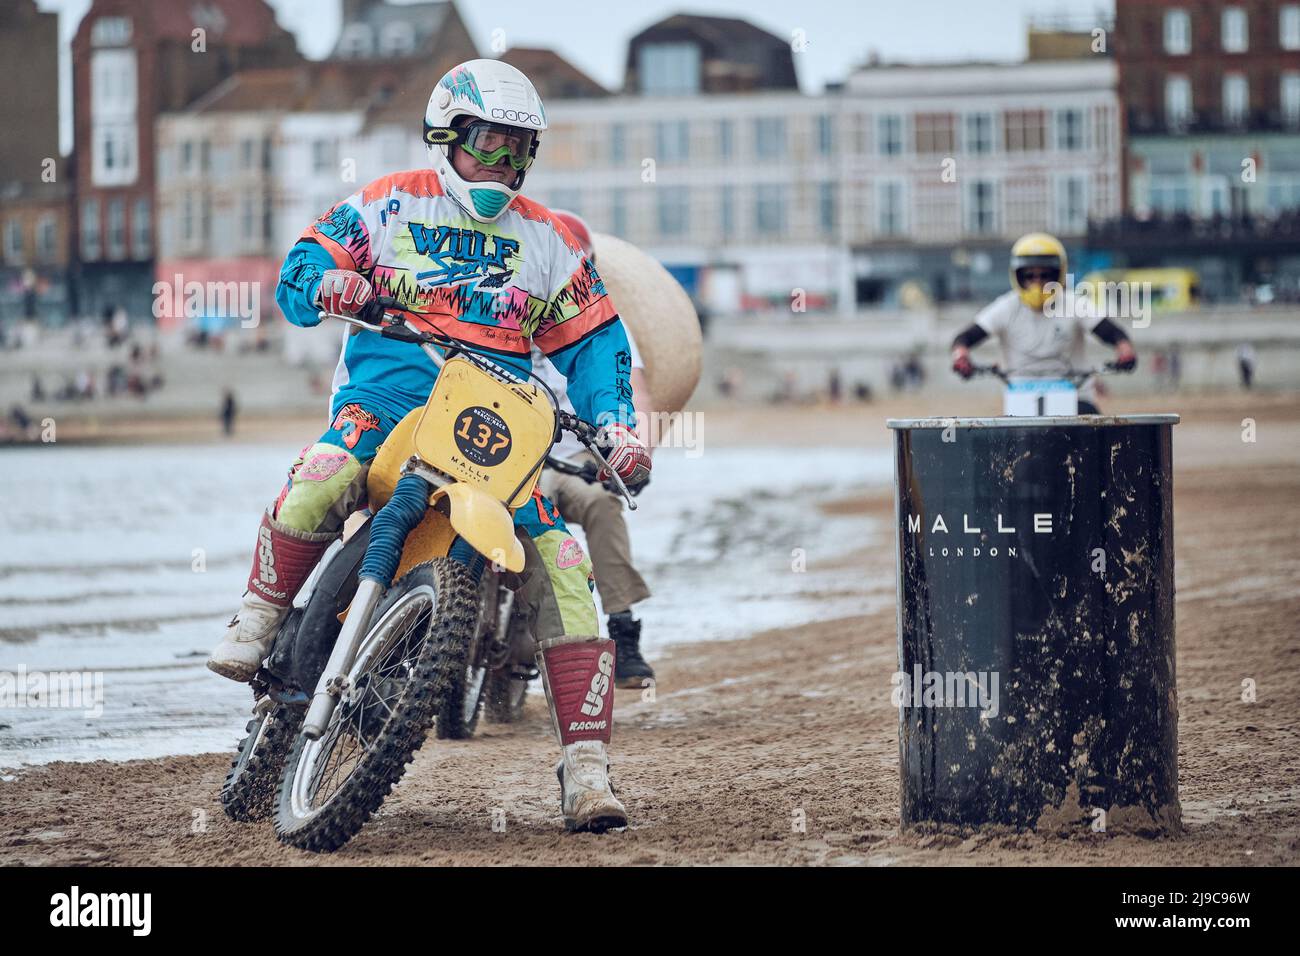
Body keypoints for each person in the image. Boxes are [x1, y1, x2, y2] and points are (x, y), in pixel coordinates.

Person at [205, 59, 650, 833]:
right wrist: (330, 285)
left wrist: (617, 427)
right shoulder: (384, 204)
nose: (502, 165)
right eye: (488, 144)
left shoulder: (554, 239)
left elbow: (598, 344)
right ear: (447, 134)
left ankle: (587, 770)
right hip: (386, 403)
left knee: (567, 569)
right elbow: (301, 266)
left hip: (498, 427)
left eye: (519, 151)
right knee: (319, 477)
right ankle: (258, 616)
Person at [532, 210, 656, 690]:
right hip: (512, 453)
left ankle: (623, 632)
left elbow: (635, 393)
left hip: (580, 458)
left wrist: (634, 451)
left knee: (605, 506)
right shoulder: (506, 309)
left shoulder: (606, 326)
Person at [949, 233, 1136, 414]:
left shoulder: (1074, 303)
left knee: (1094, 425)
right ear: (1018, 277)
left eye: (1045, 276)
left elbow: (1110, 332)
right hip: (1020, 404)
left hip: (1077, 399)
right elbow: (964, 338)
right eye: (1030, 276)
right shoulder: (1005, 307)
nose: (1037, 283)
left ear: (1058, 275)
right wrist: (961, 356)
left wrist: (1124, 349)